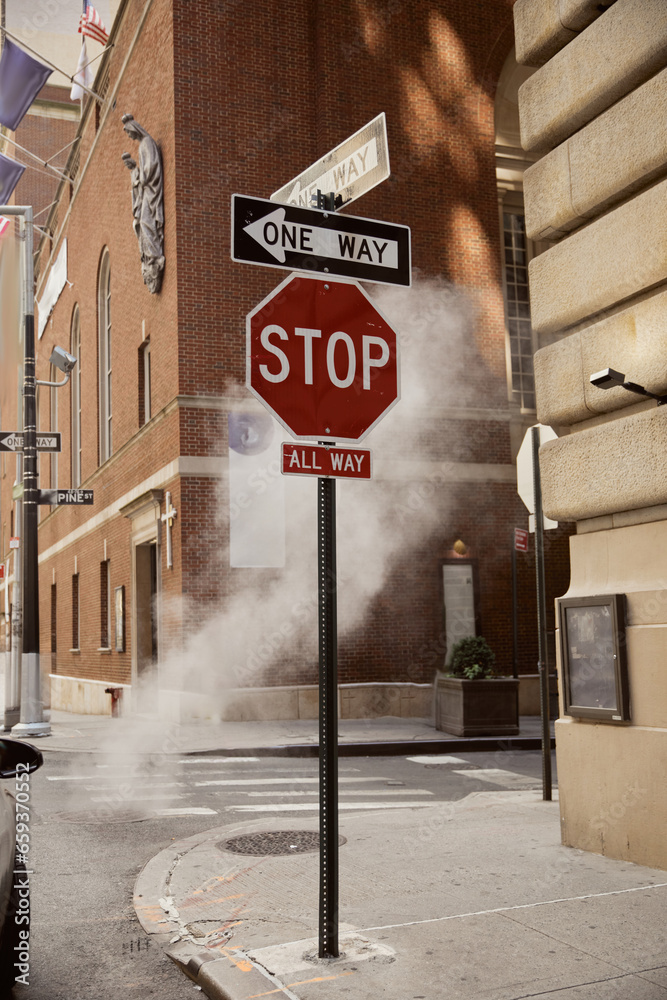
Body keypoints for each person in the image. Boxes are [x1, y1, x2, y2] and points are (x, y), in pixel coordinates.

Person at [121, 114, 164, 293]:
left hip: (149, 191)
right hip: (145, 191)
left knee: (146, 222)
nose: (130, 137)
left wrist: (141, 177)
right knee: (139, 223)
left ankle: (154, 256)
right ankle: (149, 256)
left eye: (129, 133)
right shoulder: (142, 145)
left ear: (134, 129)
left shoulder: (147, 143)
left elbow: (152, 166)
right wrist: (134, 171)